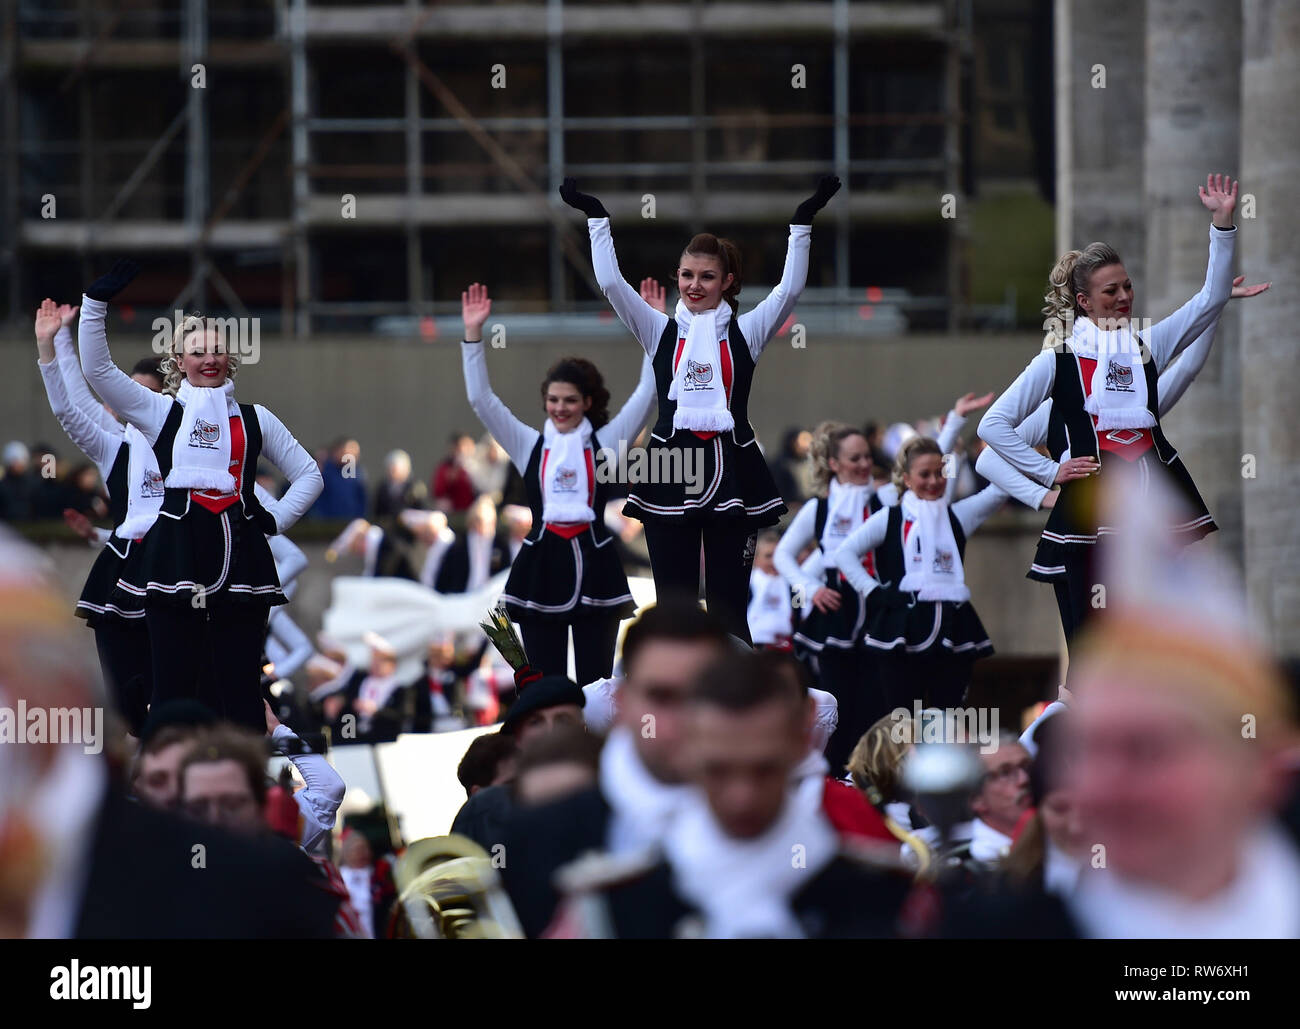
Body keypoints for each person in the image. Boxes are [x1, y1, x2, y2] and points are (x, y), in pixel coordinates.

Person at [0, 528, 339, 939]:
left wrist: (279, 729)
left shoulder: (263, 889)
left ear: (63, 693)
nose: (212, 817)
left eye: (229, 802)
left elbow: (328, 787)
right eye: (158, 781)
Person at [564, 173, 841, 643]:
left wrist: (802, 222)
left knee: (730, 606)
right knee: (674, 604)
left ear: (727, 281)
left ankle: (733, 704)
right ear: (677, 276)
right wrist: (596, 217)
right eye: (687, 275)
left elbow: (789, 290)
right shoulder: (658, 330)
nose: (695, 285)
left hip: (735, 468)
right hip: (669, 470)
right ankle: (674, 697)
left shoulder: (746, 332)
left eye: (707, 276)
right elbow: (611, 283)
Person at [977, 174, 1240, 655]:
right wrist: (1049, 472)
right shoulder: (1057, 361)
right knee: (1093, 655)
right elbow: (991, 426)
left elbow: (1209, 300)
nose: (1123, 298)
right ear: (1083, 302)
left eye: (1127, 287)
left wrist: (1222, 226)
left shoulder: (1148, 346)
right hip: (1089, 515)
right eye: (1109, 292)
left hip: (1149, 504)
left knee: (1156, 644)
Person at [78, 259, 323, 733]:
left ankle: (251, 789)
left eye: (217, 351)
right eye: (197, 352)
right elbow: (99, 370)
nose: (209, 359)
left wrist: (273, 520)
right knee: (171, 688)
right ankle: (164, 788)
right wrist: (94, 304)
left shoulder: (256, 419)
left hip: (243, 561)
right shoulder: (159, 412)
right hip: (174, 559)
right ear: (179, 362)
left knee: (242, 691)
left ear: (231, 359)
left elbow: (309, 475)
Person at [548, 651, 913, 938]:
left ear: (799, 747)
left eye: (764, 769)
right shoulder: (611, 909)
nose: (742, 797)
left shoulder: (884, 896)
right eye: (718, 770)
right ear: (686, 756)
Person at [457, 282, 655, 681]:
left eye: (570, 400)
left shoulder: (605, 443)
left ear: (587, 403)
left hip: (596, 567)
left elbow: (648, 394)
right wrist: (474, 335)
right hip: (541, 567)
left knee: (596, 684)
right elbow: (482, 400)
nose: (560, 408)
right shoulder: (528, 443)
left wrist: (650, 326)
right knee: (544, 686)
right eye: (553, 400)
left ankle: (593, 744)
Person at [777, 401, 988, 772]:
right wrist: (810, 590)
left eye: (866, 457)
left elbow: (929, 471)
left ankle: (874, 778)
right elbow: (784, 556)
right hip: (837, 615)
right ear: (833, 464)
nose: (863, 465)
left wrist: (953, 423)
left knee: (878, 709)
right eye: (854, 459)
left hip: (880, 615)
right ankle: (834, 777)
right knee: (836, 704)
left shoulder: (884, 498)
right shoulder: (819, 509)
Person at [34, 299, 157, 735]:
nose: (127, 406)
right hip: (123, 577)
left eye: (143, 396)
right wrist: (52, 343)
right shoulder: (117, 445)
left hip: (181, 571)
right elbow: (73, 408)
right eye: (127, 395)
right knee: (125, 699)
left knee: (178, 693)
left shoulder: (194, 444)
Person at [832, 436, 1007, 719]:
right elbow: (844, 553)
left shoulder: (958, 515)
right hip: (901, 629)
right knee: (901, 721)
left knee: (950, 719)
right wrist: (874, 591)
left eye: (940, 473)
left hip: (954, 628)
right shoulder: (891, 518)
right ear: (907, 479)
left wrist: (1019, 444)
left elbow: (999, 491)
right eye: (924, 474)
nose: (934, 481)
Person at [432, 494, 511, 594]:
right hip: (463, 596)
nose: (483, 527)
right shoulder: (459, 545)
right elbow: (446, 574)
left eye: (488, 523)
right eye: (479, 522)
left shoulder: (500, 546)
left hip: (490, 598)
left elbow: (503, 574)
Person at [746, 529, 793, 650]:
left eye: (777, 556)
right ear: (756, 559)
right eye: (768, 556)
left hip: (788, 644)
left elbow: (801, 610)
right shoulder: (749, 584)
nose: (774, 561)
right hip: (755, 645)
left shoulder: (792, 584)